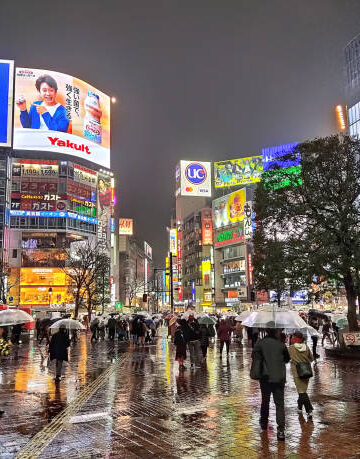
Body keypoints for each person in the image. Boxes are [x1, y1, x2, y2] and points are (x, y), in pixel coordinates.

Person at [252, 327, 290, 441]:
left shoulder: (260, 344)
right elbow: (287, 359)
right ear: (276, 332)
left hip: (265, 378)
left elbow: (254, 356)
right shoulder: (281, 345)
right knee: (279, 404)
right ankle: (281, 430)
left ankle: (264, 423)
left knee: (265, 401)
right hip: (279, 378)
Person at [288, 332, 314, 420]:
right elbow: (311, 358)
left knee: (302, 392)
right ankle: (299, 407)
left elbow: (286, 358)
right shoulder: (306, 347)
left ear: (296, 339)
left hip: (297, 373)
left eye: (292, 337)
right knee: (302, 390)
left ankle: (309, 410)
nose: (291, 339)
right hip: (306, 371)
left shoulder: (291, 348)